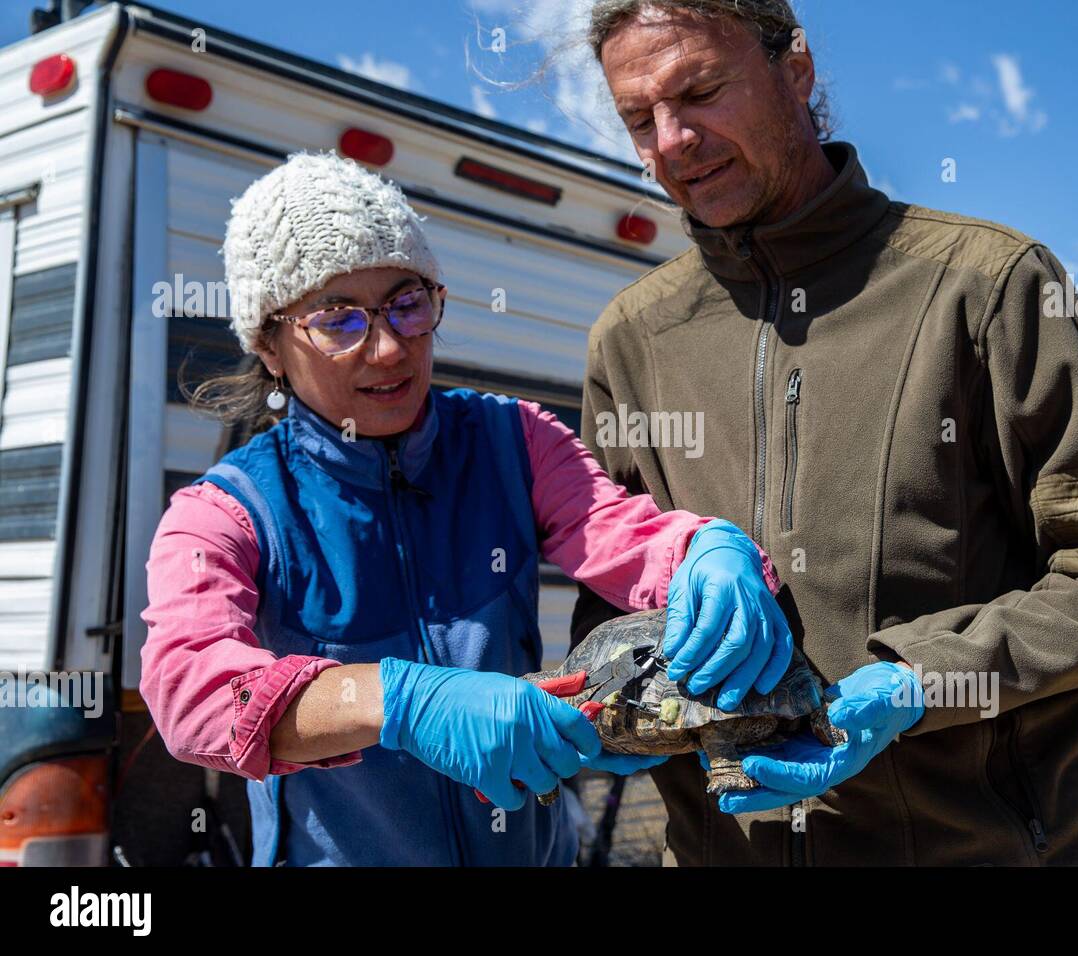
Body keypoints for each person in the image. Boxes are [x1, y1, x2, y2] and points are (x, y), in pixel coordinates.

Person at [571, 0, 1078, 865]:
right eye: (640, 119)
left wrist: (917, 681)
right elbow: (609, 593)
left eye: (702, 91)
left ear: (796, 69)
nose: (672, 140)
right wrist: (606, 700)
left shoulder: (986, 286)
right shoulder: (634, 337)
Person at [139, 151, 793, 866]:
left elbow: (614, 529)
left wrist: (704, 551)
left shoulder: (513, 440)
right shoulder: (229, 512)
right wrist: (400, 702)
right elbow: (190, 692)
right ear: (269, 344)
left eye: (406, 302)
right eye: (338, 320)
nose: (389, 348)